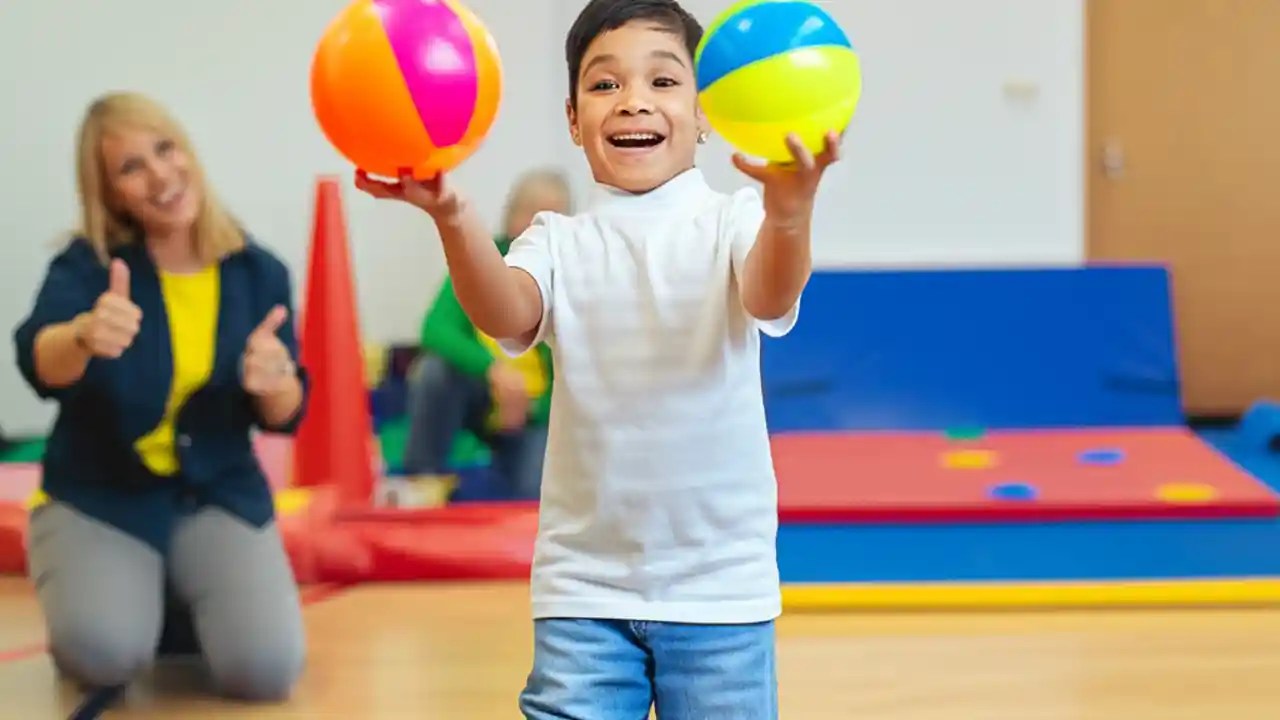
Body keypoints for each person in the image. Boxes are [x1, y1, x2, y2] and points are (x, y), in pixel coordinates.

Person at [355, 0, 842, 715]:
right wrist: (453, 216)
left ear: (706, 111)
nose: (633, 100)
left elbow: (769, 297)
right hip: (584, 588)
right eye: (605, 84)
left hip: (719, 589)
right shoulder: (555, 239)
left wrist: (790, 213)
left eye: (663, 81)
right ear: (574, 119)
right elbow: (505, 313)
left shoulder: (734, 221)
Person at [12, 91, 308, 702]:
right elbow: (38, 359)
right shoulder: (88, 268)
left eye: (164, 150)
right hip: (102, 495)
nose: (159, 176)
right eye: (130, 168)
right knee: (104, 655)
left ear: (187, 151)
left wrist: (277, 383)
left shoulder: (259, 272)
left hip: (215, 493)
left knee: (266, 670)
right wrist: (83, 334)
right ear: (110, 193)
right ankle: (111, 583)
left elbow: (286, 414)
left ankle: (174, 598)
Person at [402, 169, 570, 500]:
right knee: (434, 371)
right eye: (531, 215)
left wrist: (531, 409)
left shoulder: (572, 278)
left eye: (553, 219)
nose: (540, 229)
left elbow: (577, 375)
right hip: (479, 395)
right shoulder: (482, 260)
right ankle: (420, 481)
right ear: (511, 217)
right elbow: (435, 330)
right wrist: (493, 370)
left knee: (533, 494)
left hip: (535, 415)